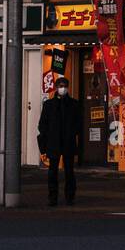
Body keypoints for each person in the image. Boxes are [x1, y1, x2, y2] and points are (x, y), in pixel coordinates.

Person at [37, 79, 82, 207]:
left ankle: (69, 197)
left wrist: (72, 132)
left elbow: (79, 123)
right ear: (56, 87)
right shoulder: (49, 105)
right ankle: (53, 197)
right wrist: (47, 135)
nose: (63, 89)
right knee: (53, 171)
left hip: (67, 142)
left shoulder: (74, 104)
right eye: (61, 86)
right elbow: (42, 124)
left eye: (65, 86)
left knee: (69, 171)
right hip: (54, 142)